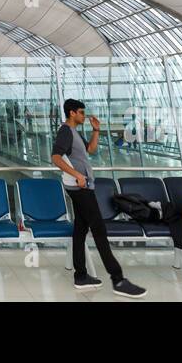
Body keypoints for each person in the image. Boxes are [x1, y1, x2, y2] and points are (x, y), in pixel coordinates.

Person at [51, 99, 147, 297]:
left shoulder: (75, 132)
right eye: (80, 112)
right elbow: (56, 157)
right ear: (71, 113)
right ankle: (118, 279)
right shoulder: (65, 131)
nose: (83, 115)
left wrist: (96, 131)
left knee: (80, 228)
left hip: (83, 186)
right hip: (79, 187)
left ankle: (81, 276)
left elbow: (90, 151)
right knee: (99, 229)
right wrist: (77, 175)